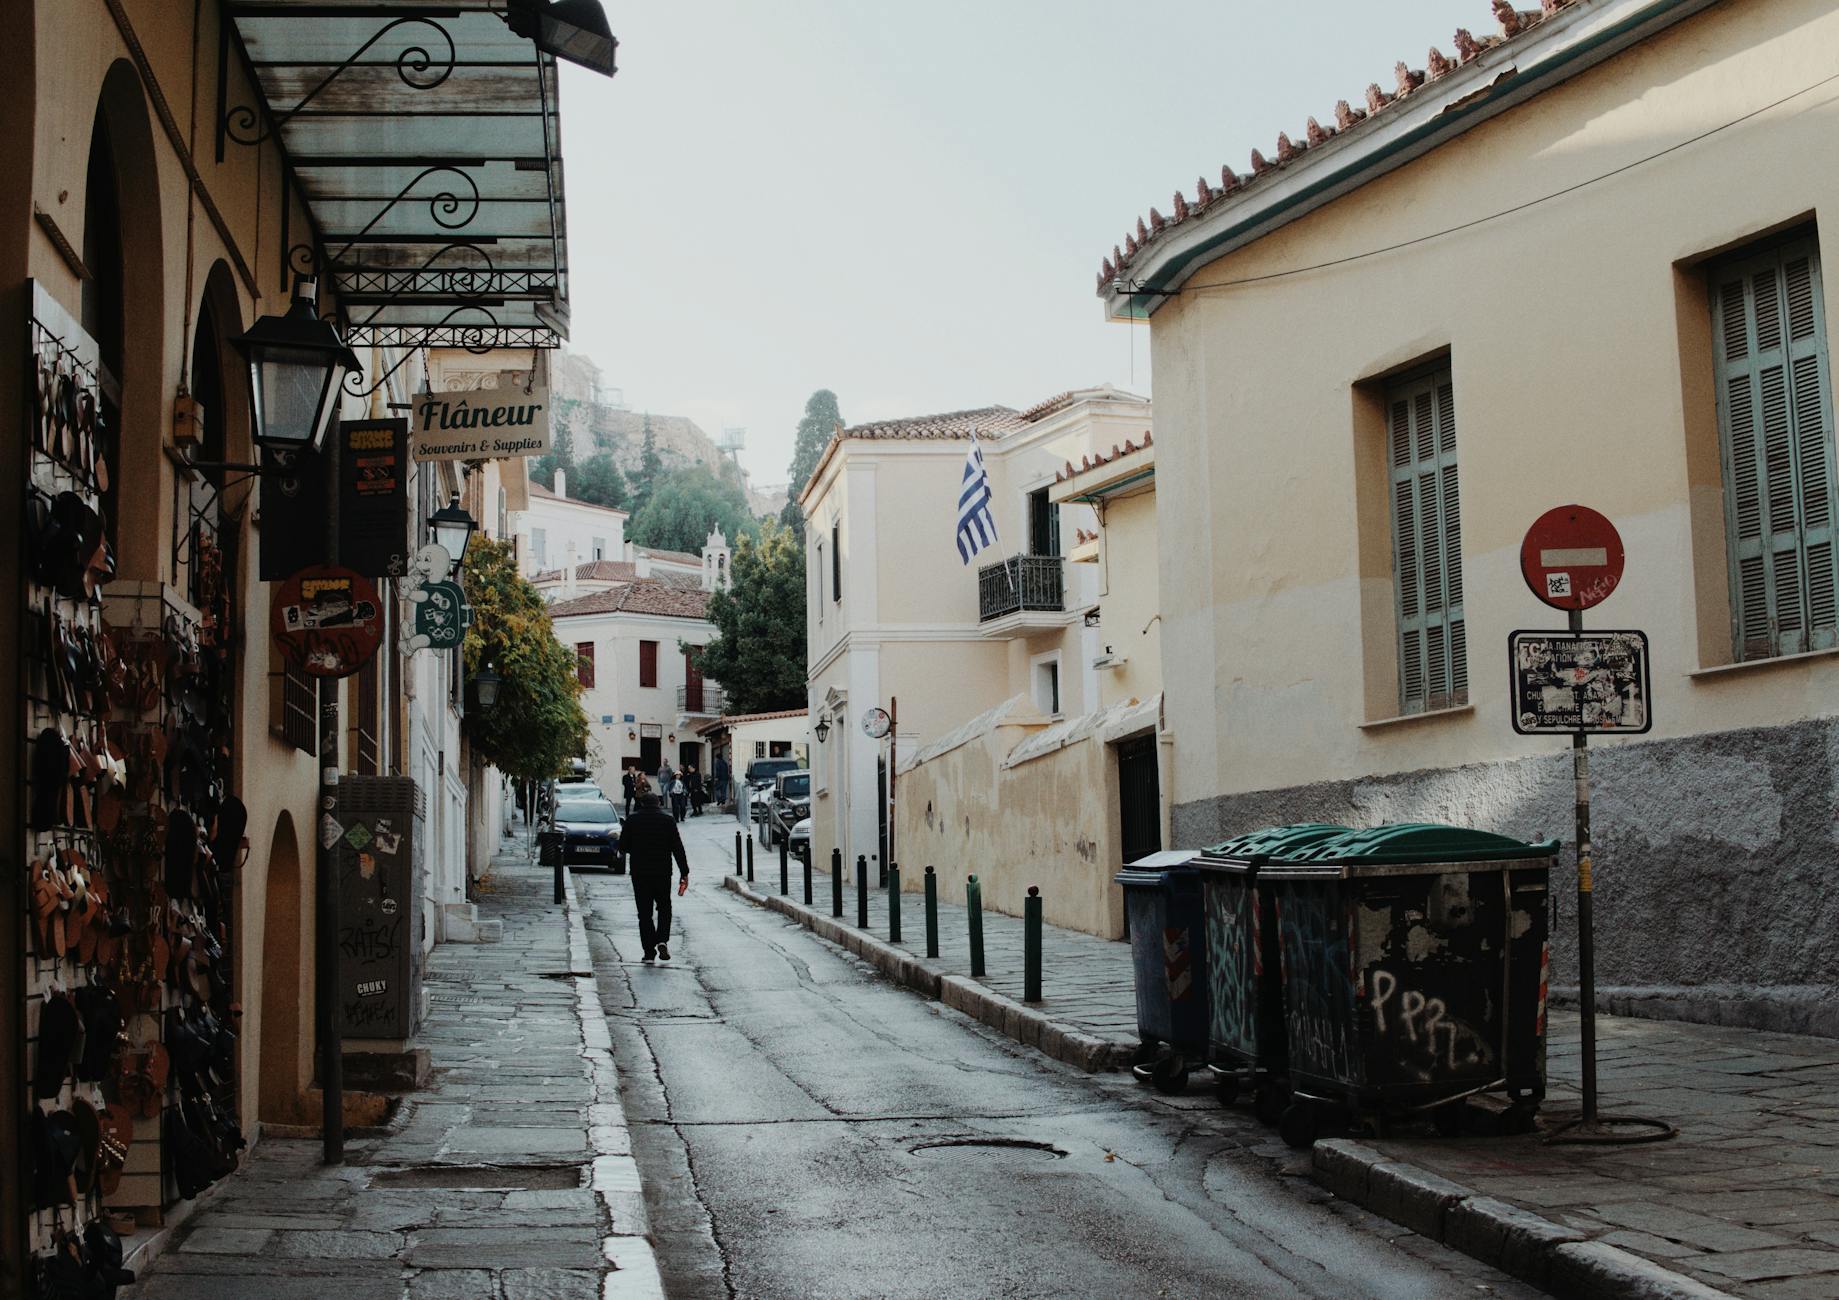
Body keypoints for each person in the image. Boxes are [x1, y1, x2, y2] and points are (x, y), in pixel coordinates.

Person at [618, 793, 688, 961]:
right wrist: (684, 872)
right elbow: (677, 848)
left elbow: (622, 846)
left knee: (644, 913)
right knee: (664, 907)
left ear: (642, 803)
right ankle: (662, 939)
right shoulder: (668, 821)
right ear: (658, 804)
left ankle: (649, 951)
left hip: (640, 873)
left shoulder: (632, 820)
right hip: (662, 873)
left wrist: (636, 849)